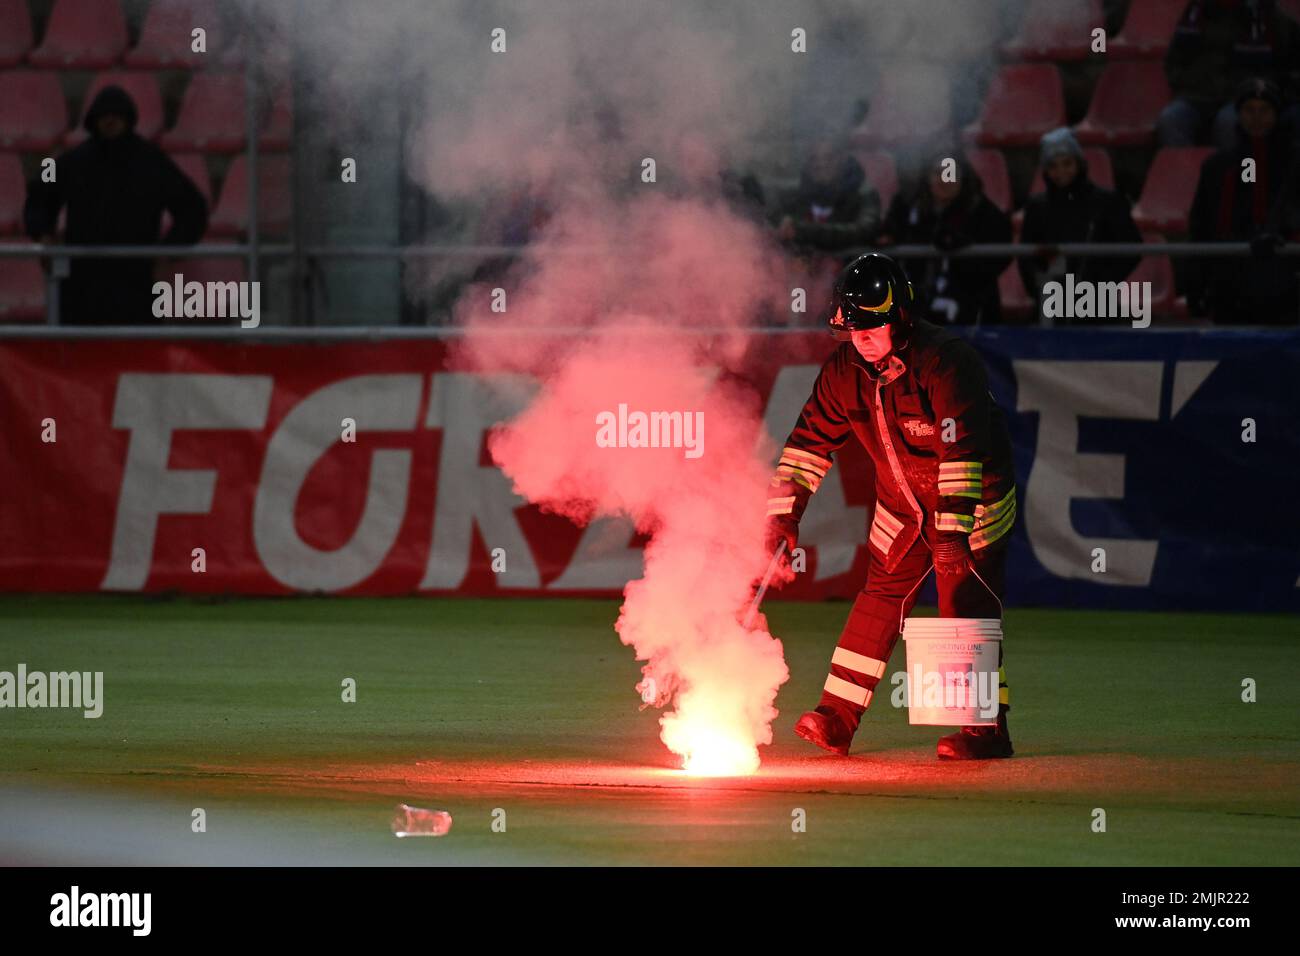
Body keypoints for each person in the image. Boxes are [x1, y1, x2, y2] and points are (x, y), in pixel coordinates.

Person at [765, 253, 1016, 760]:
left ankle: (985, 733)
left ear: (900, 316)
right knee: (878, 600)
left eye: (871, 325)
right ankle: (836, 718)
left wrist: (950, 535)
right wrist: (783, 515)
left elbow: (961, 450)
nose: (861, 337)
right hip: (901, 511)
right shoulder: (843, 371)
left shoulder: (947, 361)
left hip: (972, 508)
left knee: (962, 610)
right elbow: (807, 445)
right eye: (851, 328)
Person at [23, 85, 208, 325]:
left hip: (136, 284)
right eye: (104, 115)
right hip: (82, 288)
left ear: (128, 118)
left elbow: (193, 209)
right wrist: (43, 234)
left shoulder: (153, 162)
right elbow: (39, 199)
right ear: (93, 120)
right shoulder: (71, 162)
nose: (110, 120)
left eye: (117, 114)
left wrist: (167, 253)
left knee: (137, 358)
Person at [1187, 77, 1300, 323]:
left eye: (1264, 110)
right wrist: (1197, 283)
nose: (1257, 118)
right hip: (1232, 280)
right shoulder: (1218, 167)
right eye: (1249, 110)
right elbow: (1202, 224)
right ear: (1238, 114)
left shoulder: (1293, 163)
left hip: (1286, 280)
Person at [1018, 128, 1142, 324]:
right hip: (1052, 306)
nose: (1061, 172)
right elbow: (1026, 257)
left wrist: (1099, 286)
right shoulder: (1036, 206)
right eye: (1053, 166)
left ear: (1079, 163)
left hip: (1099, 305)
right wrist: (1042, 291)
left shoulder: (1107, 201)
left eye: (1067, 163)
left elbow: (1132, 248)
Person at [878, 150, 1011, 325]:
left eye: (951, 173)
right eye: (938, 173)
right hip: (915, 307)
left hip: (971, 312)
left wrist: (964, 251)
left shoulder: (983, 213)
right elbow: (887, 238)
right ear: (927, 177)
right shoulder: (907, 209)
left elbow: (1000, 255)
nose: (945, 180)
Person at [1157, 0, 1300, 149]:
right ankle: (1182, 171)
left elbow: (1284, 60)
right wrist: (1187, 83)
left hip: (1241, 98)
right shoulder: (1196, 11)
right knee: (1170, 119)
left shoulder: (1266, 13)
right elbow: (1174, 59)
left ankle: (1231, 171)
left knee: (1229, 122)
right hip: (1195, 95)